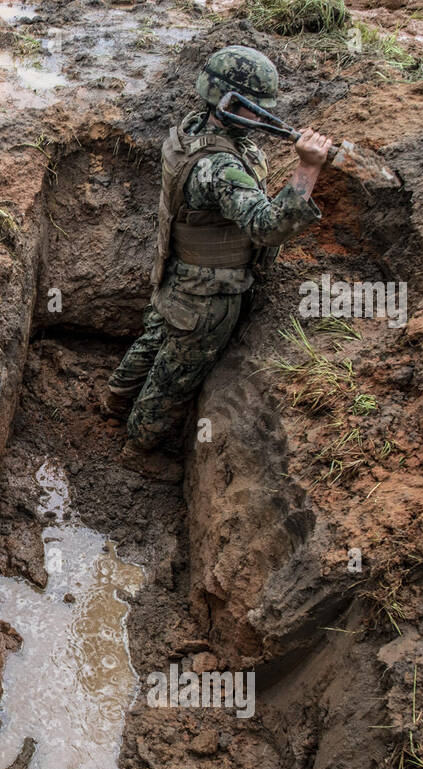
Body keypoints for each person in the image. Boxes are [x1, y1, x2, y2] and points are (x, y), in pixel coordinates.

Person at [105, 45, 332, 479]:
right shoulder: (221, 168)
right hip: (209, 295)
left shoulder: (190, 131)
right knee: (176, 377)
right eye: (256, 110)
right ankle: (139, 446)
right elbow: (268, 227)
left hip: (177, 276)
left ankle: (115, 400)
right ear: (234, 104)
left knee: (155, 339)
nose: (263, 119)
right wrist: (307, 169)